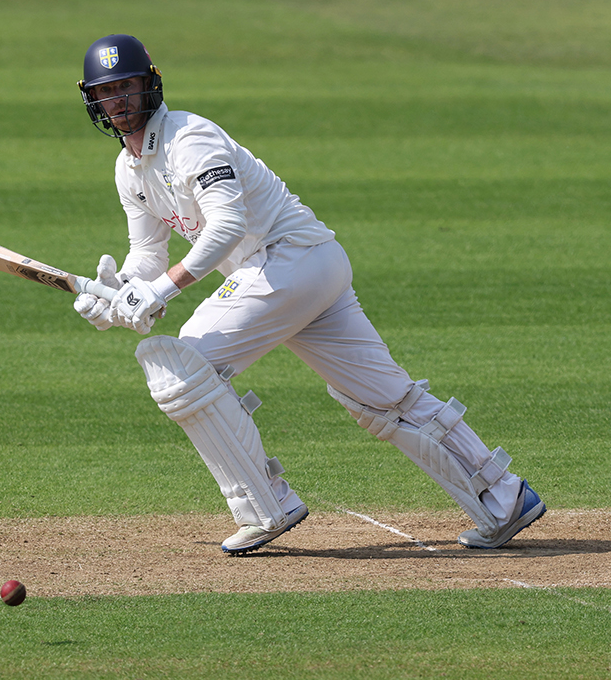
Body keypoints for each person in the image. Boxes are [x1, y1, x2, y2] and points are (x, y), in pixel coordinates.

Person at [73, 33, 546, 554]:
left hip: (289, 259)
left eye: (128, 87)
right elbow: (147, 252)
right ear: (92, 99)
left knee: (181, 365)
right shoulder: (128, 168)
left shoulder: (190, 137)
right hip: (297, 272)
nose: (118, 100)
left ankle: (265, 507)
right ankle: (504, 498)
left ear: (150, 85)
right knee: (383, 400)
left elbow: (228, 224)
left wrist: (160, 290)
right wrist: (120, 290)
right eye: (107, 91)